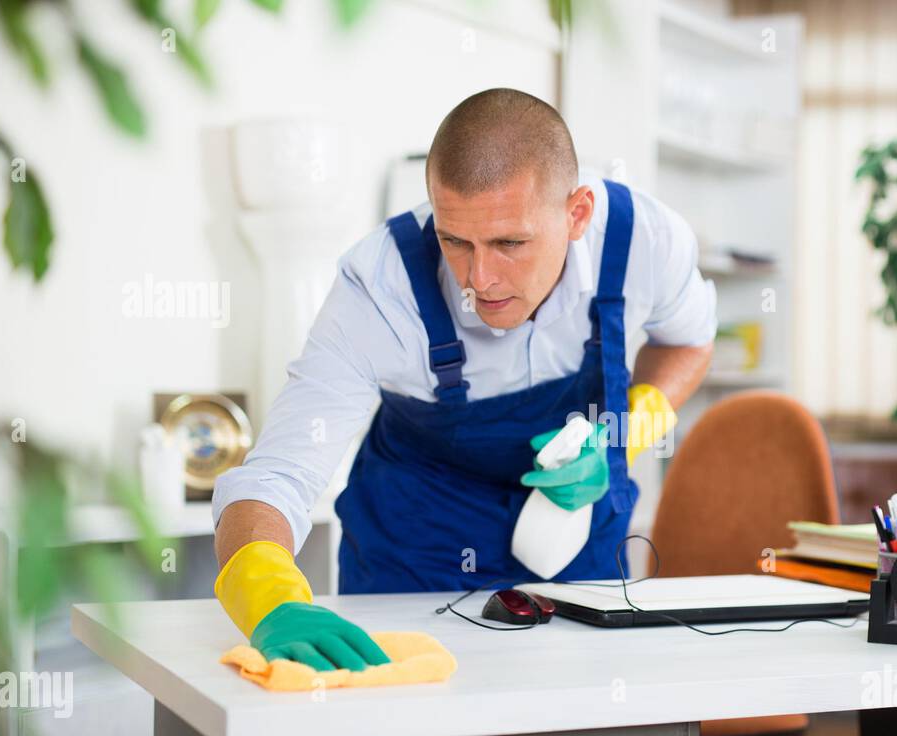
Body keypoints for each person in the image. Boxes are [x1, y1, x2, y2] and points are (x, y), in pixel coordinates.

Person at [211, 88, 716, 671]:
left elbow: (689, 342)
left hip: (578, 562)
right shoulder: (380, 288)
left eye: (510, 243)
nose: (480, 279)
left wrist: (621, 434)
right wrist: (270, 598)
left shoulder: (643, 243)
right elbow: (276, 476)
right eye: (455, 241)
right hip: (412, 563)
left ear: (577, 214)